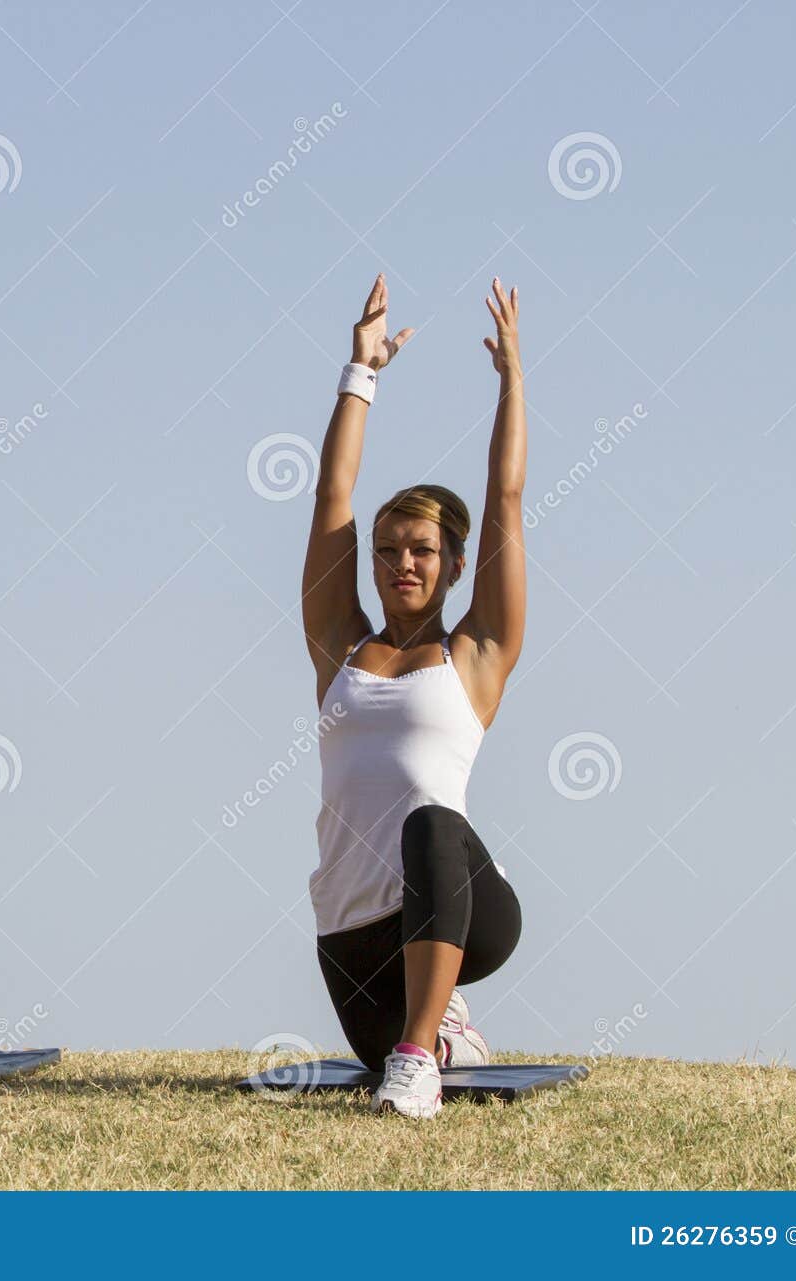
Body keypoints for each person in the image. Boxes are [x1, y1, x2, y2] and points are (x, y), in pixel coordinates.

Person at [300, 273, 528, 1118]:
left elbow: (505, 502)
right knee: (384, 1020)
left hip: (463, 898)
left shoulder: (475, 655)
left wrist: (511, 378)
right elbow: (332, 499)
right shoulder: (340, 651)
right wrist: (361, 374)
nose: (401, 562)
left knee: (429, 824)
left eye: (422, 550)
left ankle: (416, 1056)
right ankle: (436, 1034)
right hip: (351, 937)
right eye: (388, 548)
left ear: (455, 564)